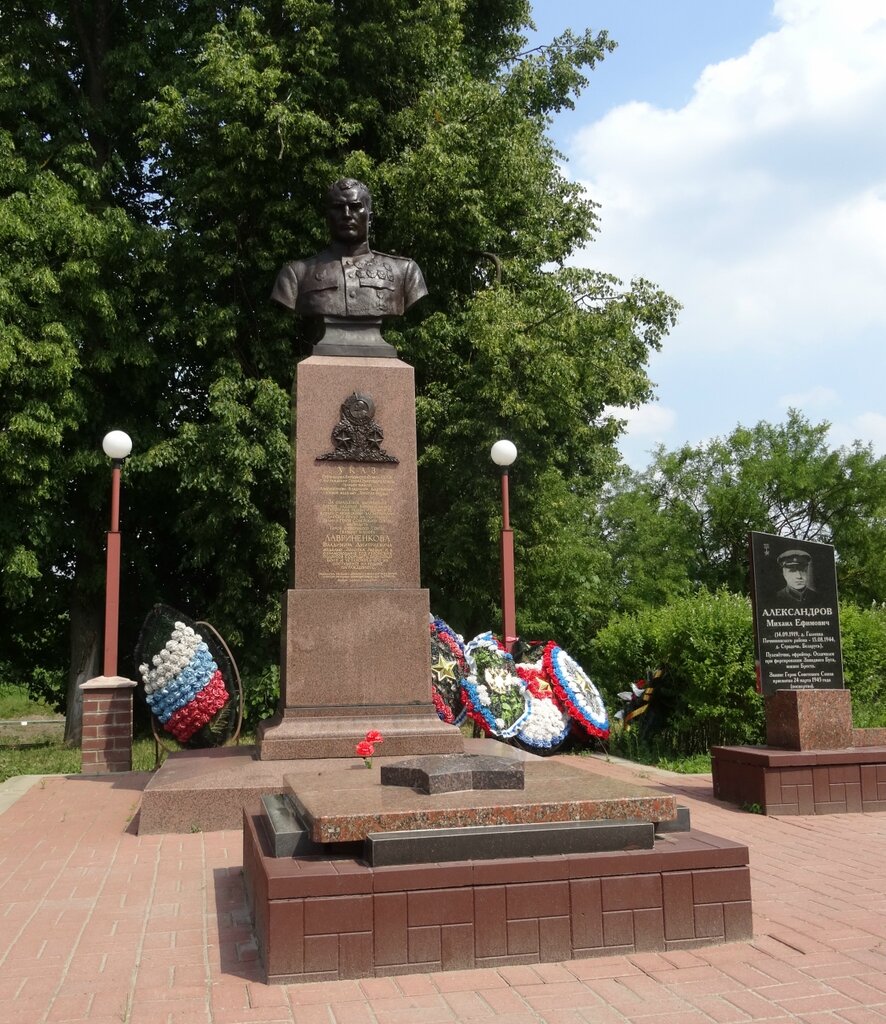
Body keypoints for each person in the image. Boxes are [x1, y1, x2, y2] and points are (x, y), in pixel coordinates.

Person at [271, 178, 427, 321]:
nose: (346, 214)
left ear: (370, 218)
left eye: (355, 207)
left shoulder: (405, 272)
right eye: (338, 208)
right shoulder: (296, 275)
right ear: (327, 218)